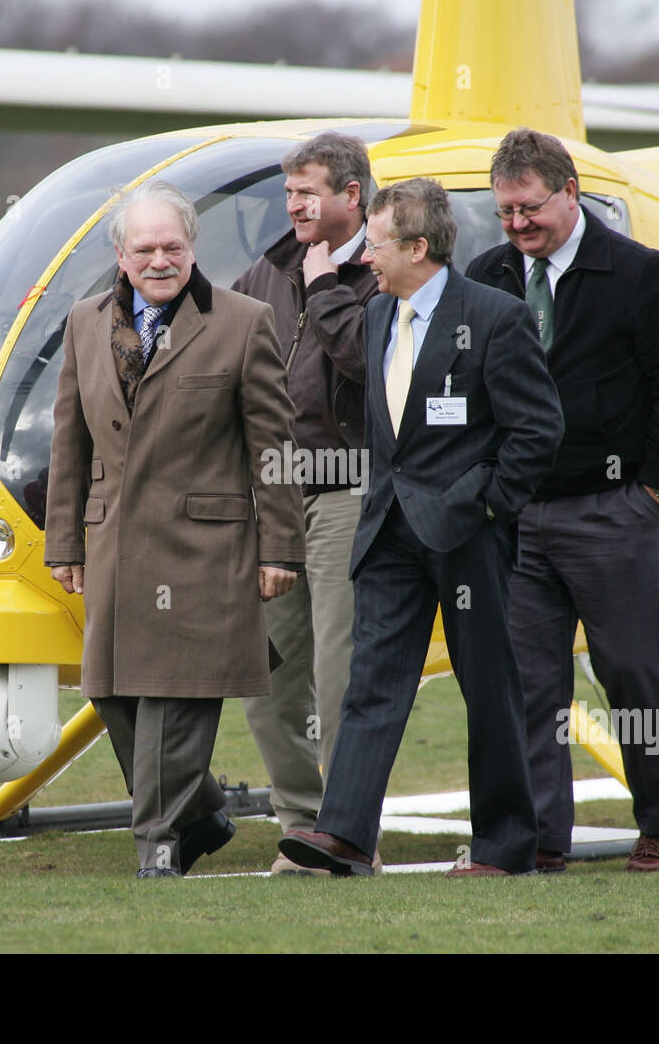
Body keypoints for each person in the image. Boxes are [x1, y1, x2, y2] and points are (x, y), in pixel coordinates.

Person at [279, 178, 563, 877]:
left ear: (418, 246)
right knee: (371, 684)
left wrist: (487, 503)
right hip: (390, 535)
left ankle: (505, 848)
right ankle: (343, 833)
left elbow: (539, 429)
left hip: (469, 533)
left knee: (490, 689)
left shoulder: (495, 316)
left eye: (375, 245)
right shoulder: (378, 315)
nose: (366, 258)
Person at [466, 128, 659, 872]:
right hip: (516, 521)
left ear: (570, 192)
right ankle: (541, 839)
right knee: (525, 685)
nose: (516, 226)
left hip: (613, 514)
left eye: (529, 209)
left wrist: (651, 490)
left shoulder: (641, 276)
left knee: (636, 674)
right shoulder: (488, 276)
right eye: (504, 211)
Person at [45, 180, 305, 878]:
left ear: (193, 249)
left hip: (205, 550)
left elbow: (272, 447)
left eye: (173, 246)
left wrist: (280, 546)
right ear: (121, 256)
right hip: (115, 548)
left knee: (172, 699)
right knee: (110, 690)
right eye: (145, 249)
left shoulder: (243, 321)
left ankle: (158, 850)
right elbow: (69, 443)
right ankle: (202, 814)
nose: (160, 260)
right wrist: (63, 541)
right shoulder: (83, 322)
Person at [231, 132, 380, 872]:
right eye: (288, 193)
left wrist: (327, 288)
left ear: (352, 196)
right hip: (272, 493)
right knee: (267, 671)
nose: (293, 205)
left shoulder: (387, 267)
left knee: (341, 669)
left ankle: (350, 830)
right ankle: (300, 821)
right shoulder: (266, 269)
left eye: (308, 192)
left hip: (350, 486)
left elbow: (366, 364)